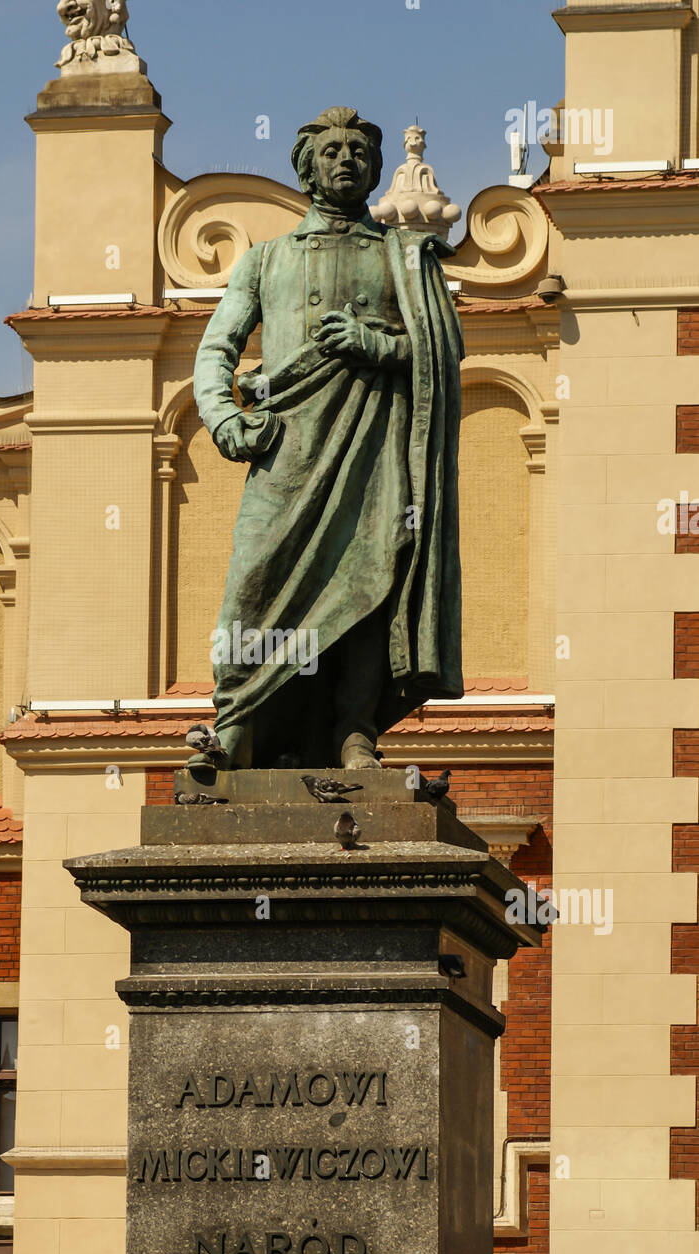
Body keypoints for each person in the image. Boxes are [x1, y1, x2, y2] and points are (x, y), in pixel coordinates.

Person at [193, 107, 464, 770]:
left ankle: (355, 731)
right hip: (286, 450)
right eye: (332, 150)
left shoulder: (405, 256)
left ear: (374, 168)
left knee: (367, 584)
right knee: (249, 587)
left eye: (358, 152)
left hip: (374, 448)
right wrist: (225, 418)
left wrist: (374, 342)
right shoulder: (266, 261)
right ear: (306, 165)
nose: (346, 160)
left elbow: (444, 349)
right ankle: (235, 723)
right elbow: (215, 349)